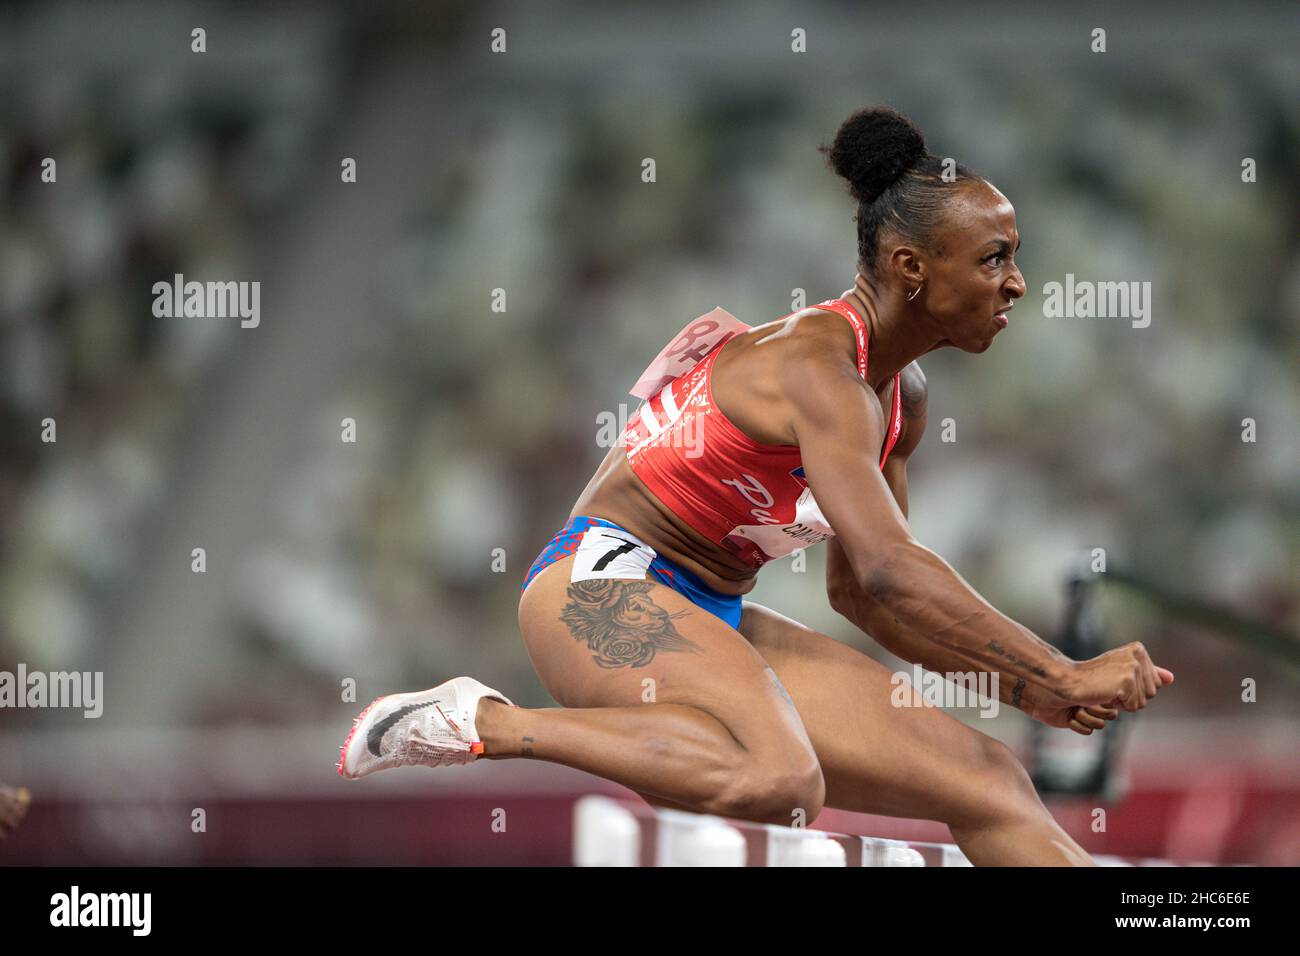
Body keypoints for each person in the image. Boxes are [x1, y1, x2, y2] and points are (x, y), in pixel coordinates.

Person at [338, 106, 1174, 866]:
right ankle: (483, 723)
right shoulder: (817, 367)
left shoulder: (899, 401)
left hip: (709, 609)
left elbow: (869, 598)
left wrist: (1032, 694)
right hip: (593, 587)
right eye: (997, 259)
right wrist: (1058, 674)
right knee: (779, 778)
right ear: (911, 267)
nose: (1017, 284)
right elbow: (891, 568)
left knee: (989, 780)